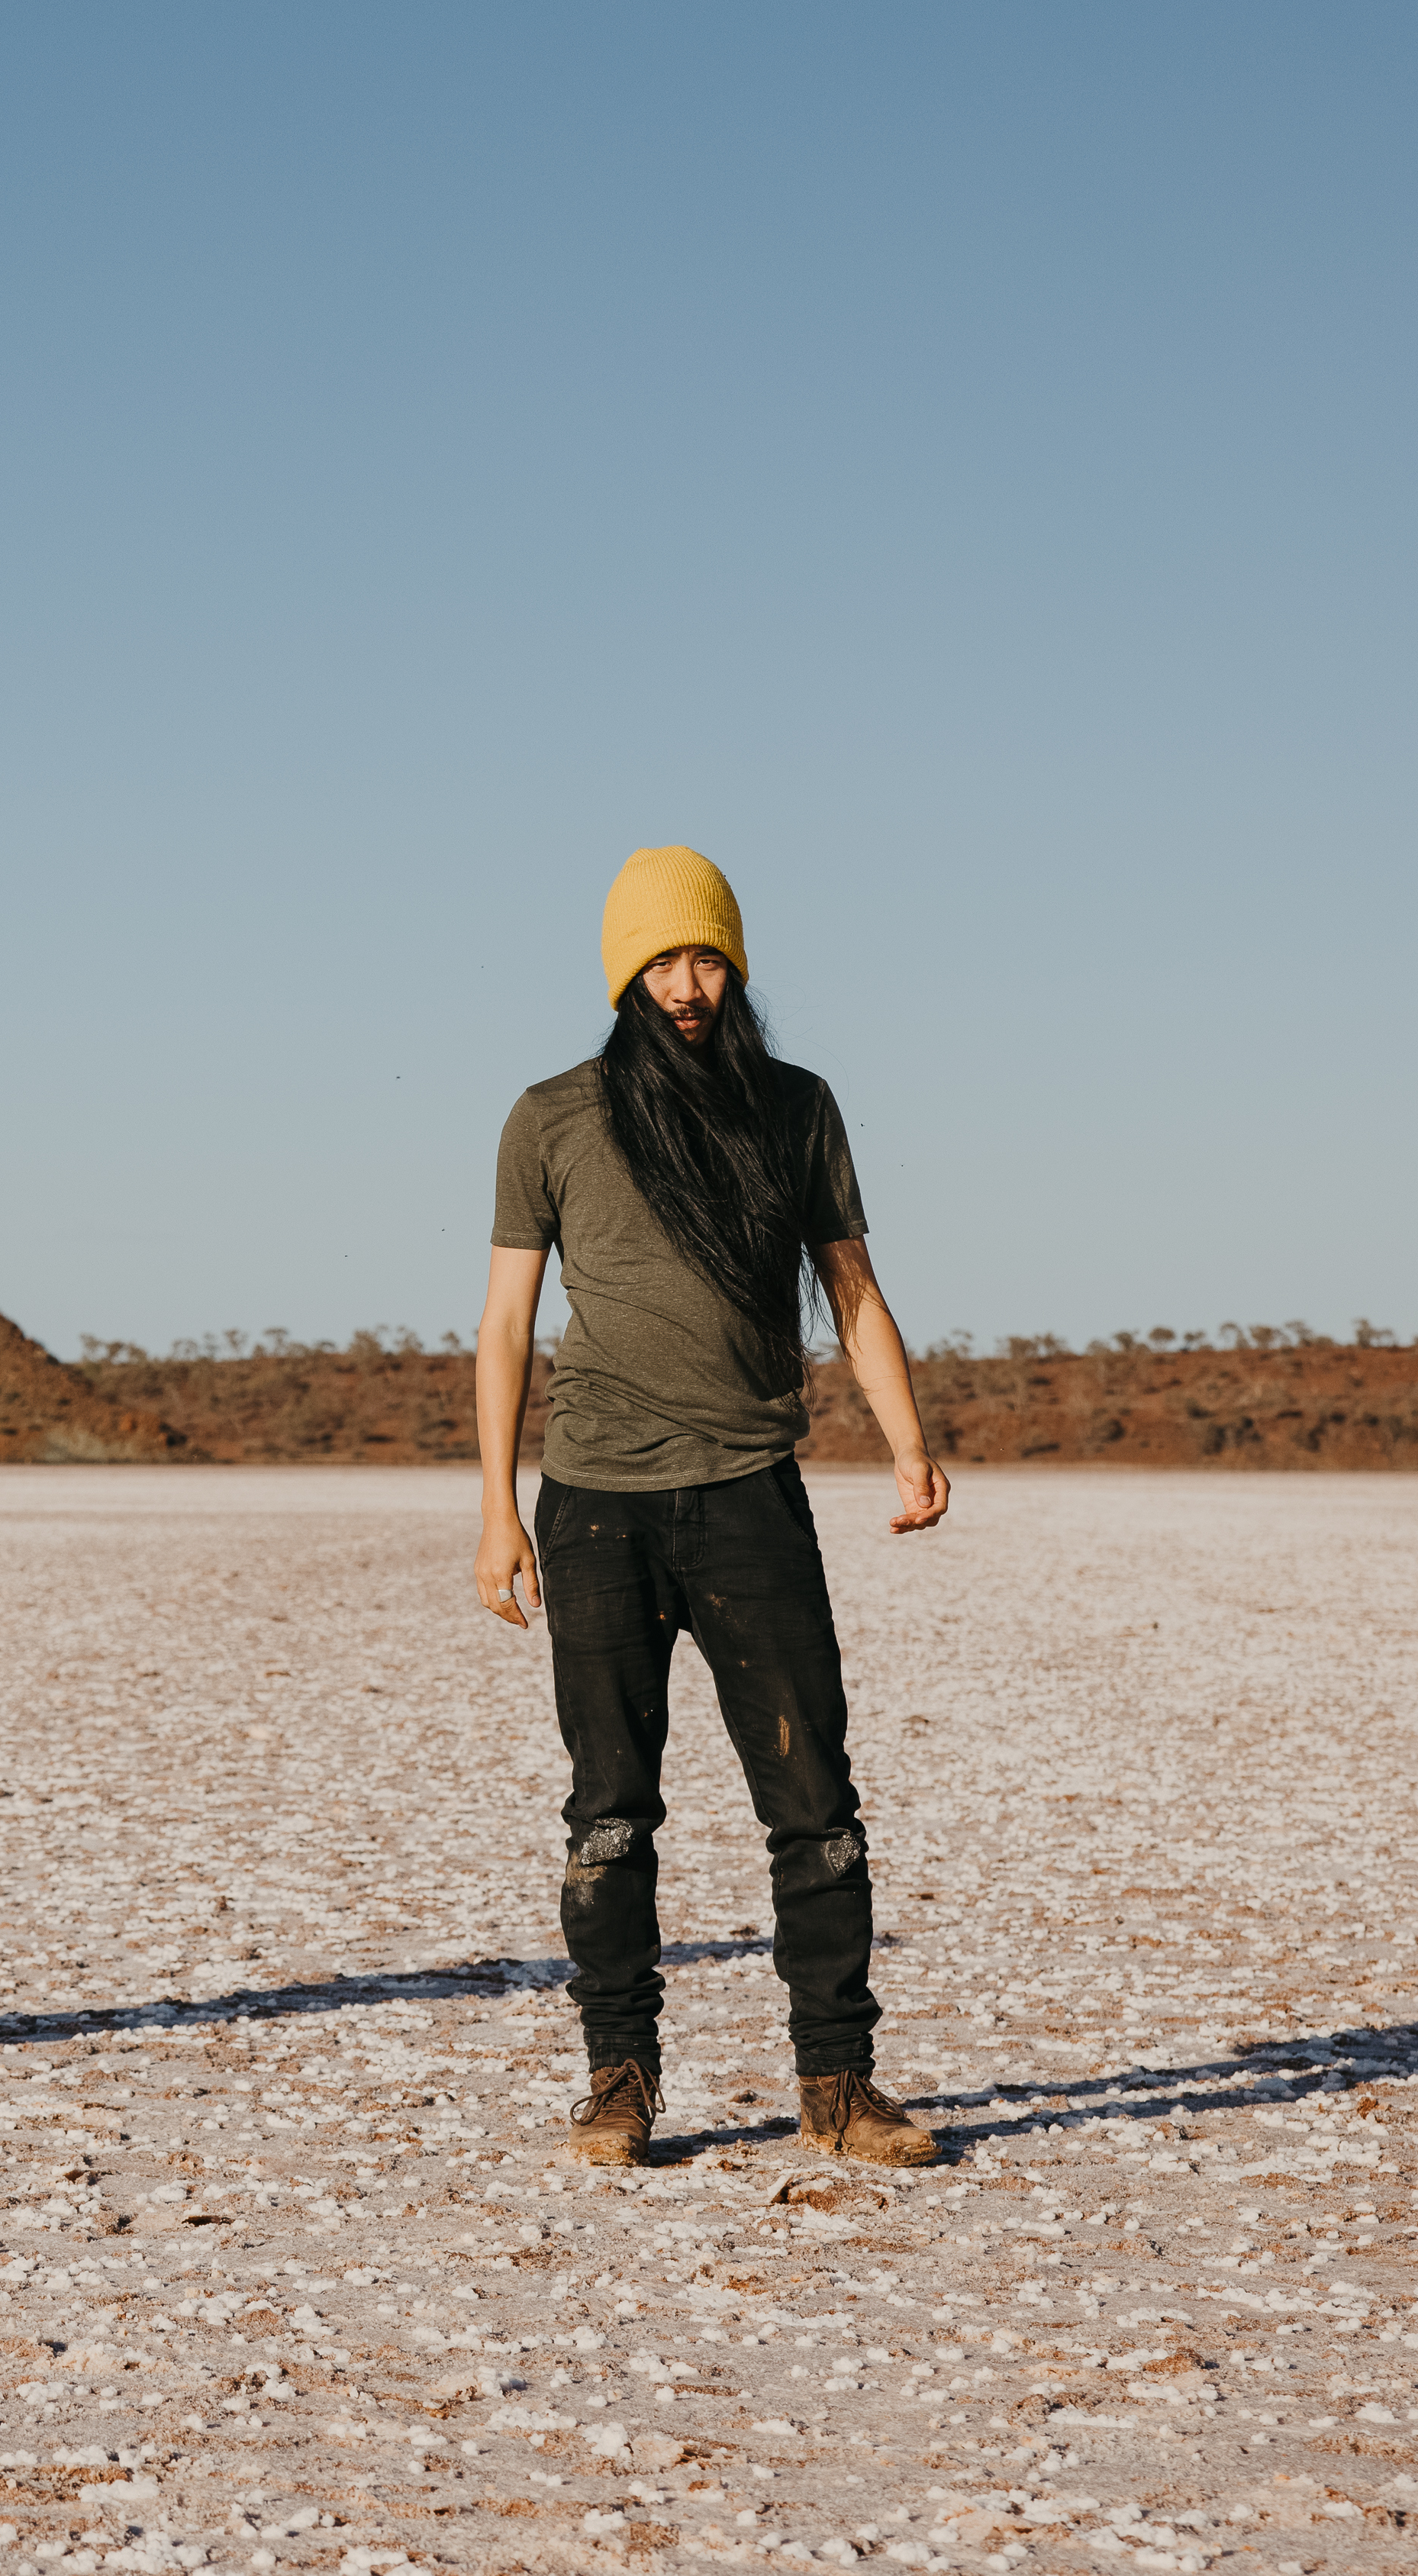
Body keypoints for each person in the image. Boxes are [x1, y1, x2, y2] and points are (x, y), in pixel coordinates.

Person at [471, 845, 951, 2171]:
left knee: (817, 1805)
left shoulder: (794, 1109)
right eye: (662, 962)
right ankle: (619, 2082)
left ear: (735, 964)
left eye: (708, 958)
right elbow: (508, 1323)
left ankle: (838, 2085)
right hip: (597, 1508)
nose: (688, 986)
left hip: (749, 1496)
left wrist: (909, 1444)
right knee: (610, 1811)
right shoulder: (553, 1117)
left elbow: (852, 1289)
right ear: (626, 974)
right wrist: (500, 1510)